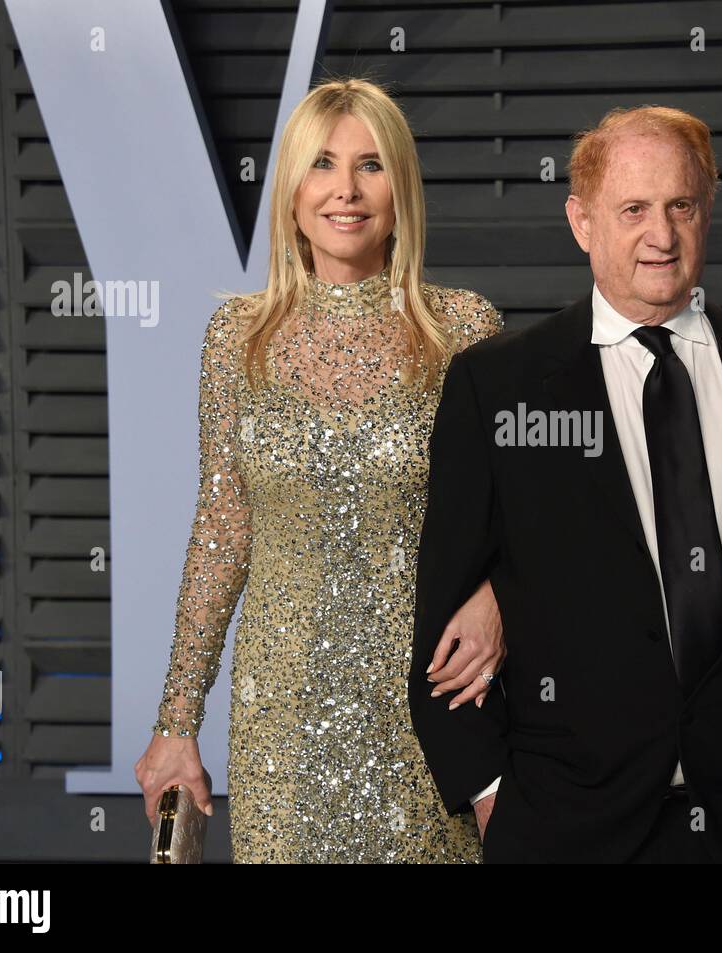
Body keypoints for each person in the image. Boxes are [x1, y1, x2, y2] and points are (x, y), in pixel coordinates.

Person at [409, 105, 722, 863]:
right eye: (632, 209)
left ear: (709, 209)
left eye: (681, 206)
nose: (661, 236)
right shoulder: (497, 388)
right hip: (564, 832)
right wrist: (495, 803)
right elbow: (441, 637)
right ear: (582, 221)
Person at [134, 78, 505, 863]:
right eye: (323, 165)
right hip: (281, 715)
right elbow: (222, 530)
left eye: (371, 165)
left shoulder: (464, 329)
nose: (346, 189)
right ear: (292, 192)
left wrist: (497, 600)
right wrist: (176, 720)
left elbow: (521, 515)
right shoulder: (237, 338)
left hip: (428, 708)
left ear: (400, 187)